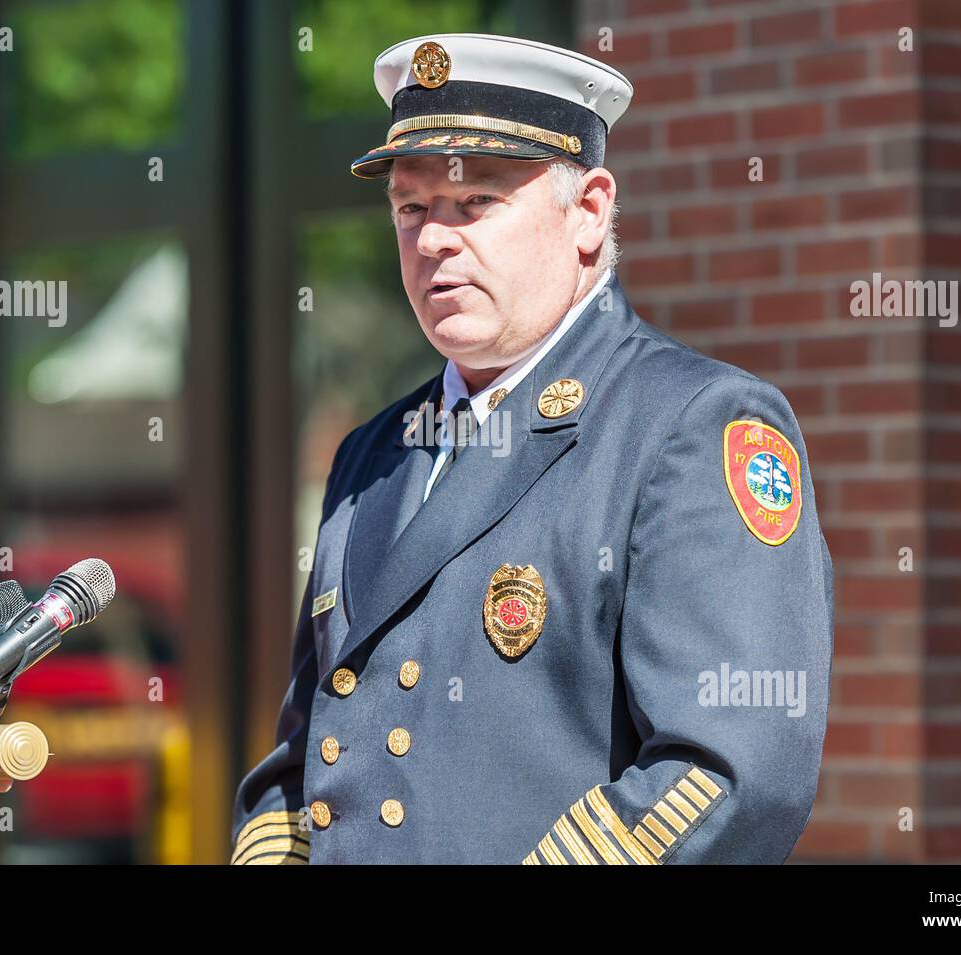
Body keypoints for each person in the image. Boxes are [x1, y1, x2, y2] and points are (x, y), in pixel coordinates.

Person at [231, 33, 833, 865]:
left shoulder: (691, 425)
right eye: (411, 208)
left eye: (474, 202)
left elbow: (729, 768)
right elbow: (305, 769)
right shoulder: (371, 454)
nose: (433, 238)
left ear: (587, 212)